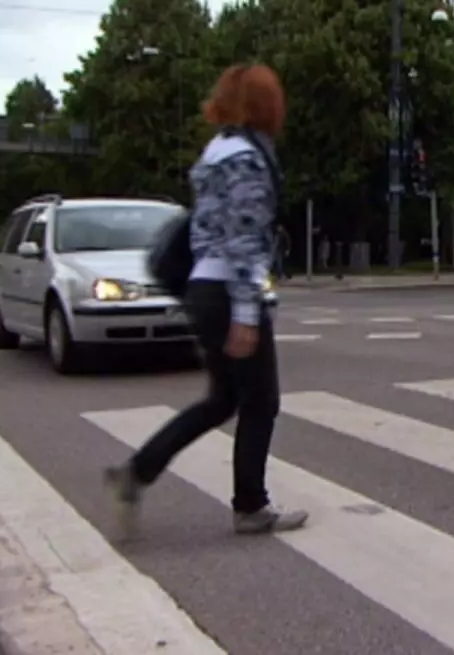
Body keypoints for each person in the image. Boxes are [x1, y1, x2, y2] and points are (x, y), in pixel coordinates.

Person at [104, 63, 308, 536]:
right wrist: (245, 312)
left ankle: (136, 474)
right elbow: (243, 238)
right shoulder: (247, 159)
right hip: (229, 290)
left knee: (222, 399)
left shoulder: (215, 151)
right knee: (261, 402)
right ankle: (250, 506)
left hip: (202, 286)